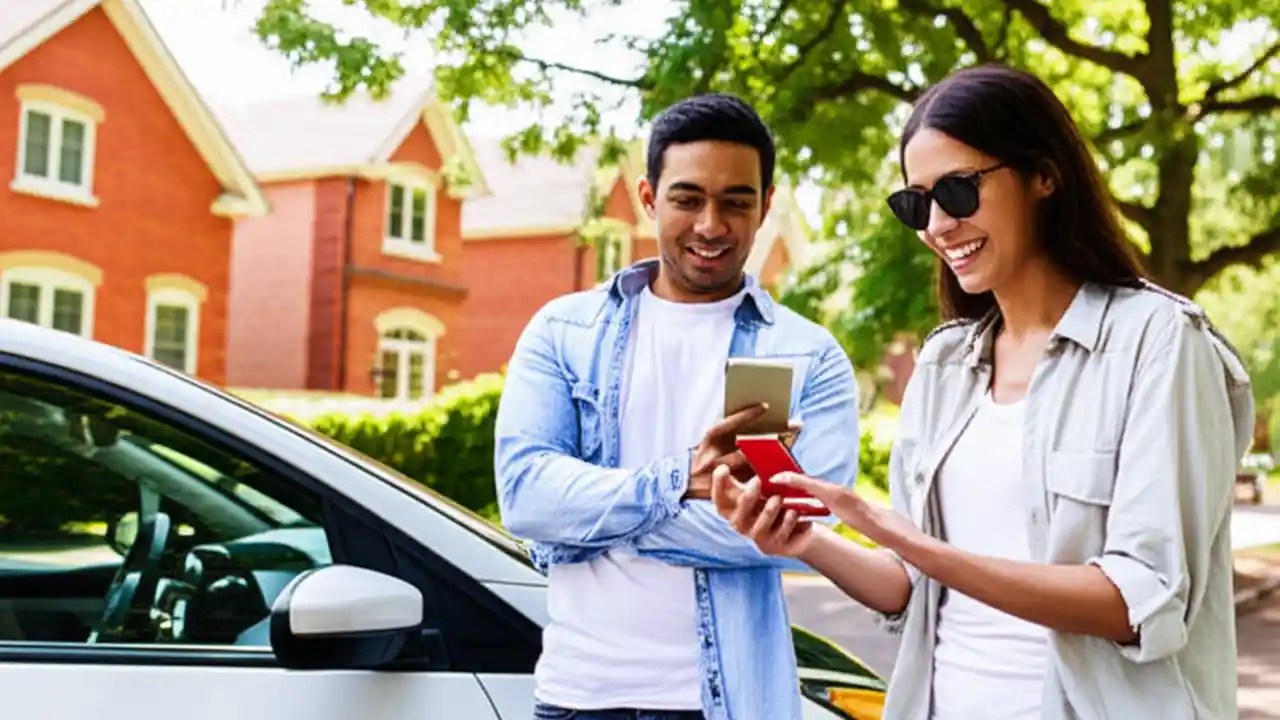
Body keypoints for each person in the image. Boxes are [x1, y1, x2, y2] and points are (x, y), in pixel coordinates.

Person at [711, 64, 1255, 720]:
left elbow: (1138, 603)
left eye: (959, 191)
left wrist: (906, 537)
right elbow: (911, 588)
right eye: (915, 203)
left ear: (1044, 176)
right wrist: (806, 540)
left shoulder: (1159, 341)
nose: (936, 225)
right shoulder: (943, 363)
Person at [493, 93, 859, 720]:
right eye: (688, 199)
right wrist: (677, 482)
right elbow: (527, 496)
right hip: (579, 699)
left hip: (733, 705)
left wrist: (593, 523)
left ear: (765, 205)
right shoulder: (563, 331)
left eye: (736, 202)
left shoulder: (807, 355)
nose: (711, 225)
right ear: (648, 197)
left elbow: (790, 533)